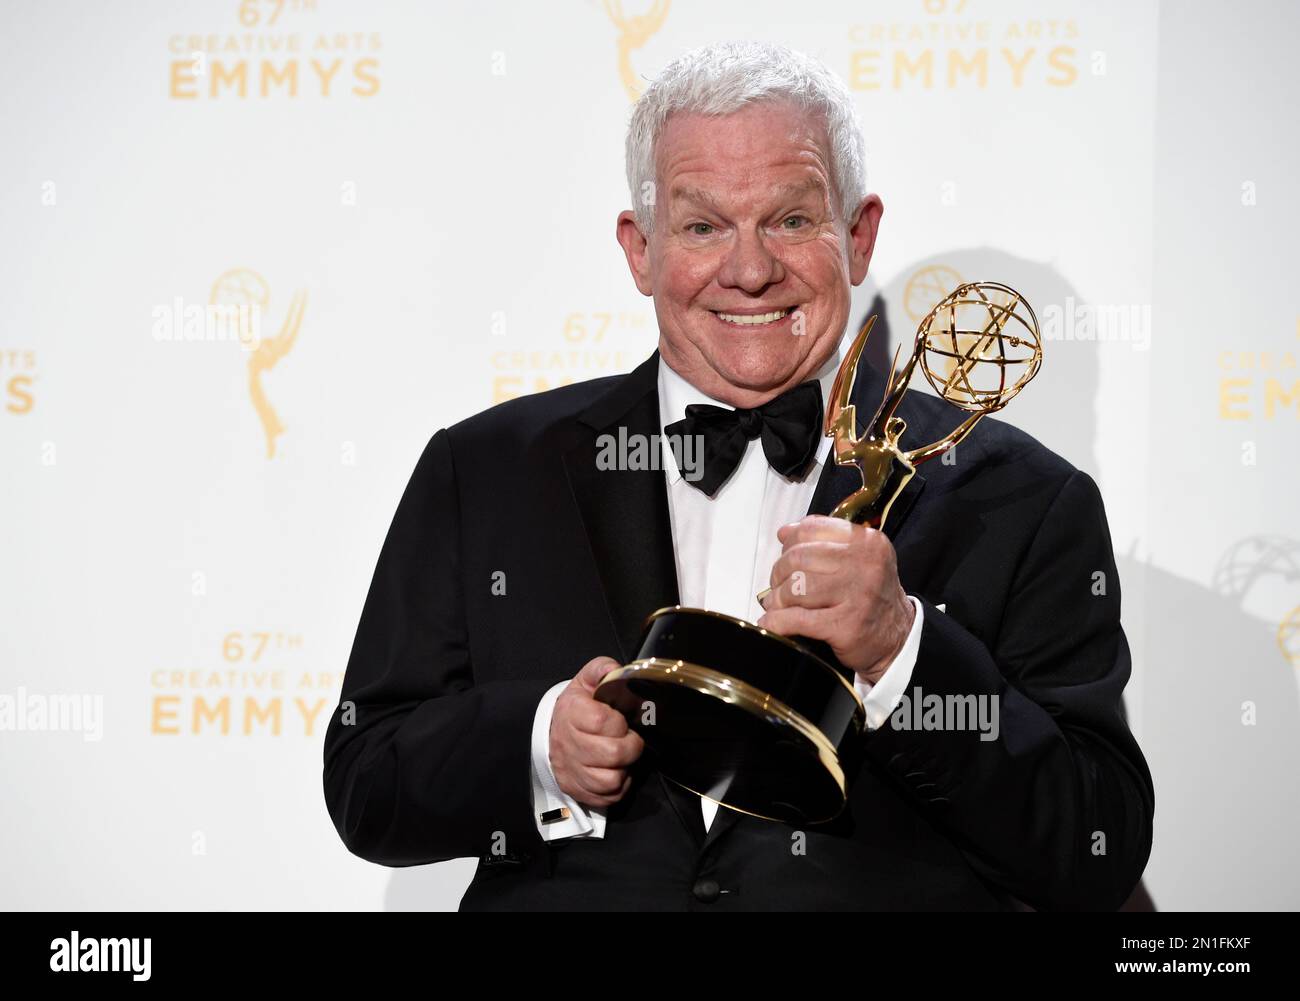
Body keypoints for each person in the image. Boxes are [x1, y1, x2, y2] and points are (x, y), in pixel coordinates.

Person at [322, 40, 1154, 911]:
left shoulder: (1020, 497)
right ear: (640, 249)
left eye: (792, 221)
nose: (750, 269)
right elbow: (366, 780)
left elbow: (1097, 846)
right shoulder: (487, 468)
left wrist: (904, 651)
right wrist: (540, 747)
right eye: (703, 225)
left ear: (858, 235)